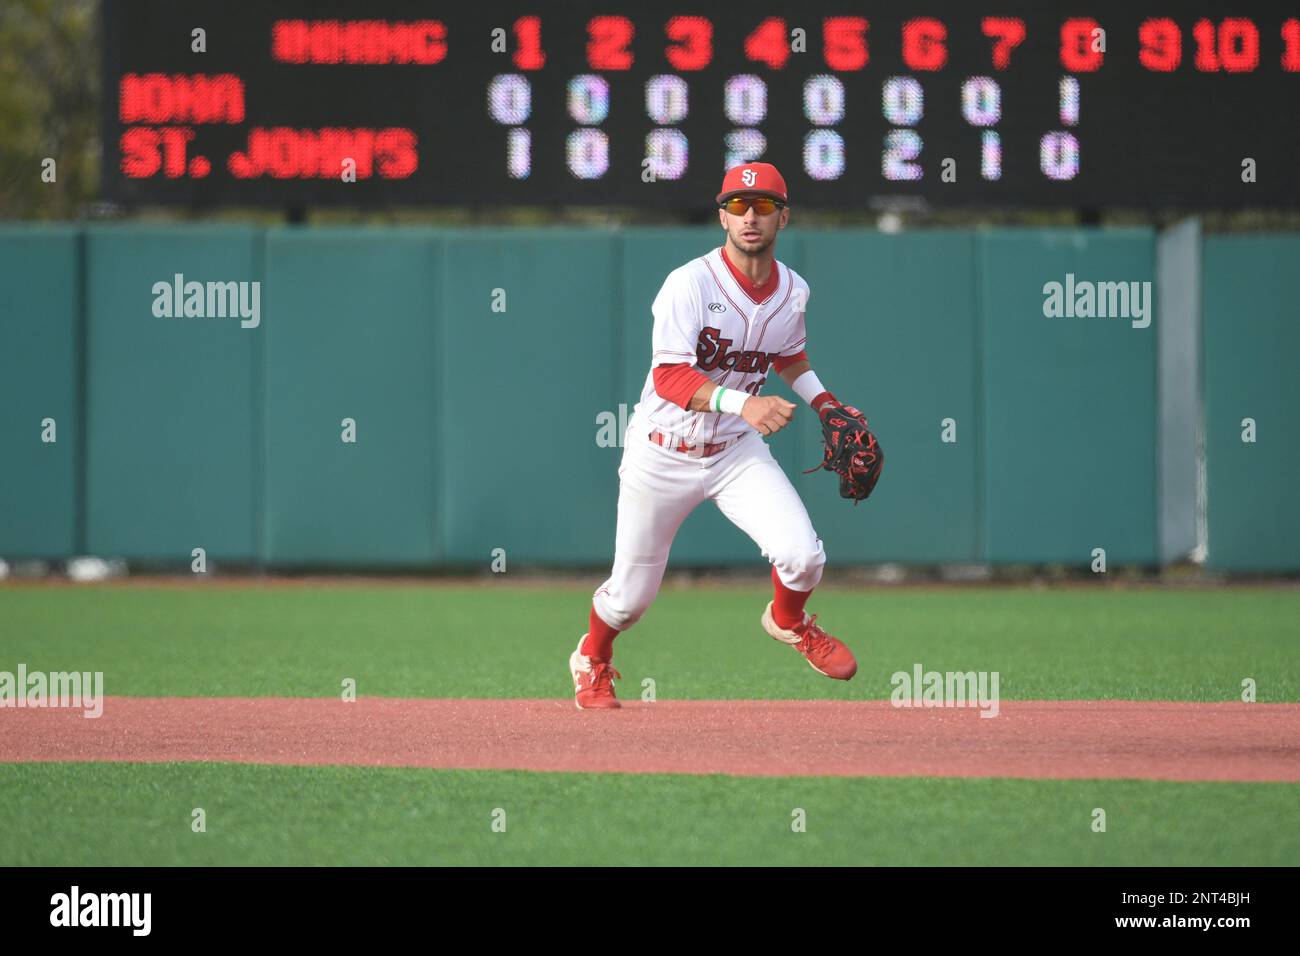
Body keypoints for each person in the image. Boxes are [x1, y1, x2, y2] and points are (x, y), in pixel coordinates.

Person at [570, 162, 857, 710]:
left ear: (784, 217)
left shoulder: (794, 290)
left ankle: (788, 621)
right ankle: (593, 657)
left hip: (734, 451)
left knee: (804, 558)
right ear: (722, 215)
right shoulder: (690, 283)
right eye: (738, 206)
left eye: (765, 206)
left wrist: (826, 405)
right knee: (628, 602)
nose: (751, 216)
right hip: (661, 451)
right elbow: (670, 376)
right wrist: (745, 402)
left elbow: (789, 356)